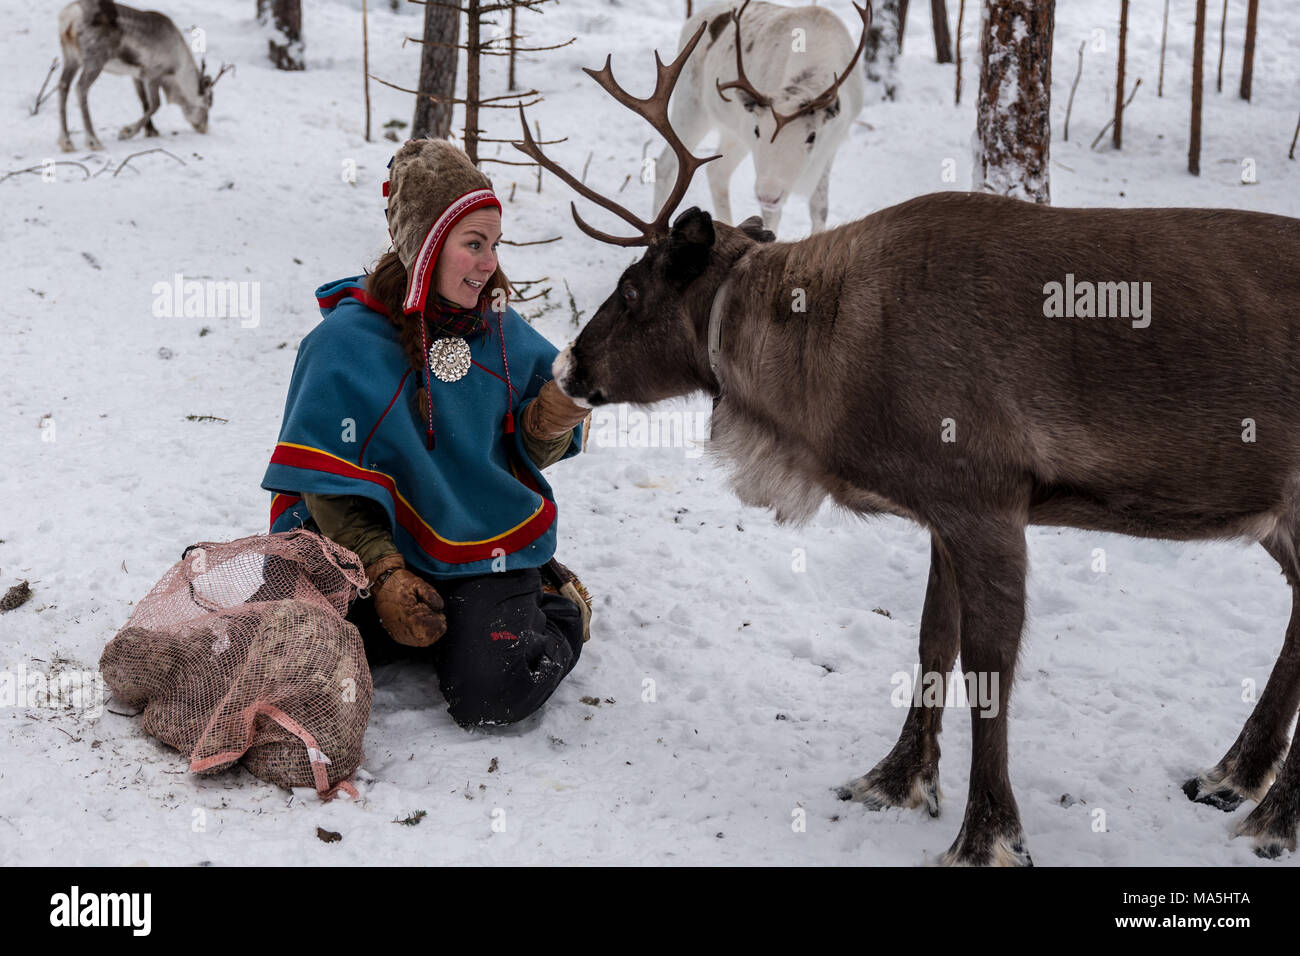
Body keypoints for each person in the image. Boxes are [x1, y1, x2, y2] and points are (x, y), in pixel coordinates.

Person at [261, 138, 592, 727]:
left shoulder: (502, 335)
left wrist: (551, 418)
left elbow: (527, 454)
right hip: (361, 547)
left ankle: (555, 604)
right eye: (473, 244)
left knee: (492, 696)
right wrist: (385, 574)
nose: (490, 262)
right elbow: (326, 488)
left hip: (478, 543)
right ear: (427, 248)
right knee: (286, 656)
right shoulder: (344, 347)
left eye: (494, 244)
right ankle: (439, 624)